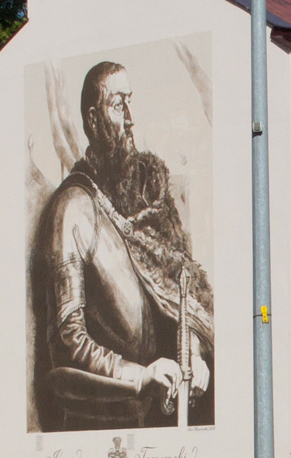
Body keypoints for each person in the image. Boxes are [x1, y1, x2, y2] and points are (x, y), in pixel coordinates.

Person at [30, 61, 214, 432]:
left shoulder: (145, 198)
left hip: (165, 412)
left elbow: (179, 292)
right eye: (118, 106)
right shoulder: (73, 210)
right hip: (104, 418)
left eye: (131, 102)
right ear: (93, 120)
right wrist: (140, 375)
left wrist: (192, 354)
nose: (131, 118)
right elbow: (68, 341)